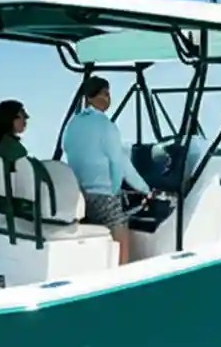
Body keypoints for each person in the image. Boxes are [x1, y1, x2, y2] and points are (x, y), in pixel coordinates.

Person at [60, 75, 155, 265]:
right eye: (104, 94)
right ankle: (122, 277)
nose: (108, 98)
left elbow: (69, 152)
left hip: (81, 195)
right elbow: (120, 164)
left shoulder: (72, 125)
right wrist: (145, 189)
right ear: (90, 97)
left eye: (109, 94)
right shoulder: (106, 126)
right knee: (121, 235)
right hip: (103, 194)